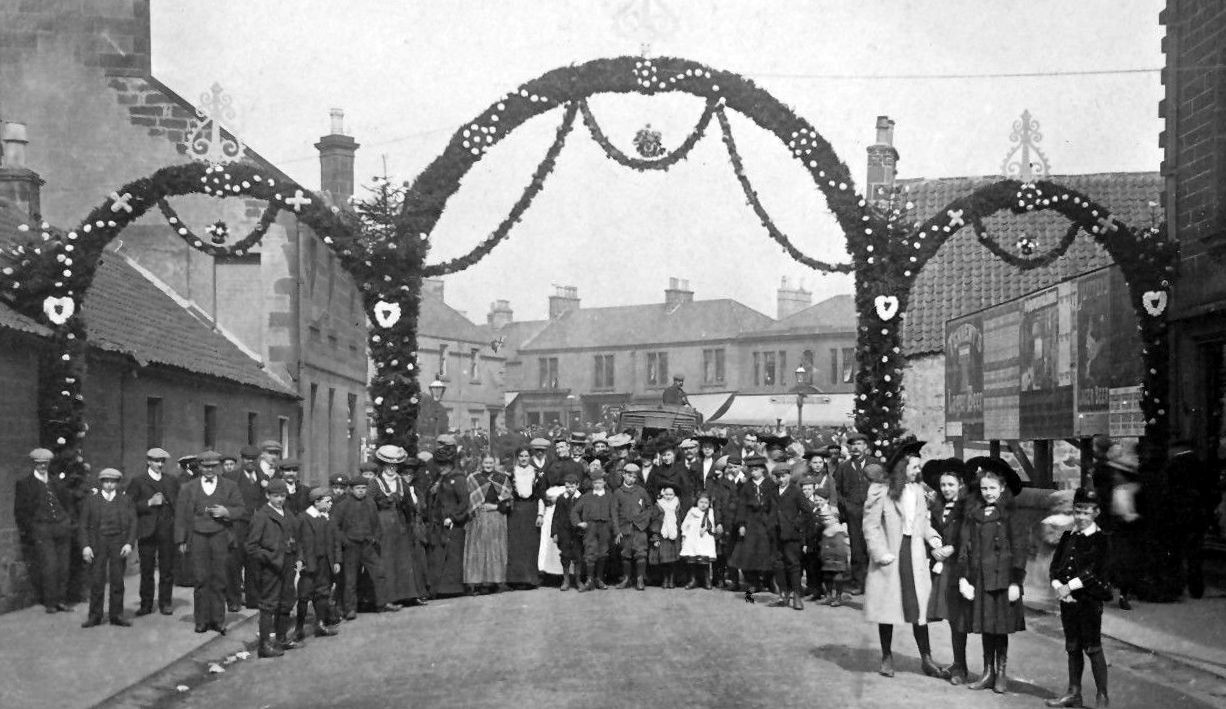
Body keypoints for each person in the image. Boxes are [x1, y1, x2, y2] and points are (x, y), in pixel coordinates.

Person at [863, 440, 949, 680]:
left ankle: (926, 658)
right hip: (892, 552)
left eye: (918, 467)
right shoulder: (881, 490)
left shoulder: (919, 491)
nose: (917, 471)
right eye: (913, 467)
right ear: (902, 467)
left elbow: (924, 524)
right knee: (887, 607)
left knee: (918, 607)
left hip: (914, 553)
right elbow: (871, 526)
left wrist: (934, 540)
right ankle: (886, 656)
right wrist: (880, 553)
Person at [958, 457, 1028, 694]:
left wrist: (1016, 582)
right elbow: (966, 547)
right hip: (981, 579)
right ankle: (987, 672)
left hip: (1003, 579)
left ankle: (1001, 673)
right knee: (987, 627)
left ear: (1003, 488)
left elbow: (1020, 548)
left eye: (992, 488)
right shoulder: (974, 514)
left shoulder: (1011, 514)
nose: (988, 493)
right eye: (984, 488)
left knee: (1000, 628)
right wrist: (964, 578)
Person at [1046, 487, 1113, 709]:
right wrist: (1058, 586)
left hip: (1089, 601)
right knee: (1072, 646)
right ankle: (1074, 692)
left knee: (1092, 647)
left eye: (1087, 512)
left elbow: (1094, 571)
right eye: (1078, 511)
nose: (1081, 517)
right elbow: (1056, 567)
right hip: (1068, 602)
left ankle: (1102, 696)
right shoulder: (1068, 537)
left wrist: (1069, 587)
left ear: (1097, 513)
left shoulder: (1101, 539)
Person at [174, 450, 245, 635]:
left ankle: (218, 620)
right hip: (197, 536)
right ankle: (201, 621)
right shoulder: (188, 488)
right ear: (200, 467)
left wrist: (226, 512)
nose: (209, 470)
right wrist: (181, 539)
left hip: (220, 535)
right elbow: (180, 515)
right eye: (205, 466)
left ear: (219, 467)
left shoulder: (230, 486)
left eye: (213, 466)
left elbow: (241, 510)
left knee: (219, 579)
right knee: (200, 578)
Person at [922, 457, 973, 684]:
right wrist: (933, 549)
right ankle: (957, 662)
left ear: (960, 484)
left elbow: (970, 536)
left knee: (958, 617)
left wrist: (953, 548)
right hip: (941, 566)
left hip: (959, 566)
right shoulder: (937, 506)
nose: (946, 489)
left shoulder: (966, 507)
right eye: (943, 485)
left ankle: (961, 667)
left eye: (951, 484)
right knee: (950, 616)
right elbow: (931, 531)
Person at [14, 448, 75, 613]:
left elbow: (67, 503)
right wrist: (32, 529)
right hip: (42, 530)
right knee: (50, 566)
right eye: (39, 463)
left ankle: (61, 600)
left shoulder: (57, 483)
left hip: (61, 527)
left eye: (45, 463)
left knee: (63, 566)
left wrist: (68, 521)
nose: (42, 466)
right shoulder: (25, 484)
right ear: (34, 464)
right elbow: (20, 511)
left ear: (49, 463)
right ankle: (50, 602)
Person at [246, 478, 300, 658]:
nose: (280, 499)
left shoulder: (287, 513)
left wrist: (297, 557)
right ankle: (264, 646)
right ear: (267, 495)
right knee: (268, 605)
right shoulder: (261, 515)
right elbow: (251, 547)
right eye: (276, 496)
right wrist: (271, 557)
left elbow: (295, 535)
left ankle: (281, 638)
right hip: (271, 567)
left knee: (286, 602)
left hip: (288, 563)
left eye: (283, 496)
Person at [79, 467, 137, 628]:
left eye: (113, 482)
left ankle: (116, 615)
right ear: (101, 482)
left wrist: (129, 543)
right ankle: (95, 616)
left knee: (117, 580)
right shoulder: (91, 500)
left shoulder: (125, 501)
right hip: (98, 542)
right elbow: (83, 525)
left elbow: (133, 523)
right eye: (106, 482)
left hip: (118, 542)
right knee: (97, 580)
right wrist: (85, 546)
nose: (109, 485)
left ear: (118, 484)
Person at [127, 446, 180, 616]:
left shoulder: (171, 480)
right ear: (149, 461)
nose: (159, 464)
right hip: (147, 531)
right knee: (147, 570)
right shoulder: (138, 481)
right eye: (156, 461)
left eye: (162, 461)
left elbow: (177, 504)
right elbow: (128, 506)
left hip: (166, 529)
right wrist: (149, 503)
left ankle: (165, 603)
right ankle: (146, 604)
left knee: (166, 569)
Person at [372, 445, 427, 607]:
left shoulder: (401, 481)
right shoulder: (375, 483)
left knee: (404, 560)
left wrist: (409, 524)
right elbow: (370, 506)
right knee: (387, 560)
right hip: (383, 525)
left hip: (400, 525)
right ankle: (388, 598)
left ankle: (408, 595)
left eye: (394, 466)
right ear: (382, 465)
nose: (391, 469)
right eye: (388, 465)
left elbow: (409, 504)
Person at [332, 476, 392, 618]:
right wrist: (345, 541)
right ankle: (350, 609)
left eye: (364, 488)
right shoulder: (343, 505)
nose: (361, 491)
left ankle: (382, 603)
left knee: (379, 572)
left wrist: (375, 538)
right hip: (351, 546)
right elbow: (335, 527)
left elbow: (376, 524)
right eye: (358, 489)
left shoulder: (370, 503)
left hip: (367, 545)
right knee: (350, 579)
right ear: (351, 490)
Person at [836, 431, 881, 594]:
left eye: (859, 444)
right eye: (853, 445)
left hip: (873, 511)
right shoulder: (844, 467)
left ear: (866, 447)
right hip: (853, 512)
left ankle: (874, 583)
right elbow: (838, 490)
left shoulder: (875, 464)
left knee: (873, 545)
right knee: (856, 547)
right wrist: (846, 506)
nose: (855, 448)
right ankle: (858, 582)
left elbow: (883, 485)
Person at [294, 486, 341, 643]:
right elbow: (298, 542)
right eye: (328, 501)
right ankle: (299, 629)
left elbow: (336, 542)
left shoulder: (329, 518)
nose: (330, 504)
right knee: (303, 597)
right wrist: (300, 559)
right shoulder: (303, 518)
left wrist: (337, 561)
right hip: (309, 564)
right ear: (316, 502)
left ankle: (320, 624)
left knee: (323, 594)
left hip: (324, 563)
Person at [729, 456, 776, 604]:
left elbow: (775, 504)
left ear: (763, 470)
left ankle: (769, 581)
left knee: (767, 551)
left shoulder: (770, 484)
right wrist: (742, 524)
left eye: (756, 469)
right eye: (751, 470)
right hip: (751, 521)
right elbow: (742, 505)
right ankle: (754, 582)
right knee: (749, 553)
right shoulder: (747, 486)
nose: (754, 472)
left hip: (766, 521)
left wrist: (772, 521)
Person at [463, 454, 513, 593]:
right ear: (481, 462)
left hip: (497, 518)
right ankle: (477, 583)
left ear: (495, 464)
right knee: (478, 549)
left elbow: (508, 502)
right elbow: (468, 499)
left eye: (491, 462)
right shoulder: (473, 478)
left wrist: (495, 507)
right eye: (486, 462)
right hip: (478, 517)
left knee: (495, 550)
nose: (488, 465)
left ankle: (495, 582)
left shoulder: (502, 478)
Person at [1103, 440, 1142, 610]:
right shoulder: (1126, 488)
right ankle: (1123, 594)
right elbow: (1126, 512)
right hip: (1124, 528)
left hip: (1116, 527)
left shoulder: (1116, 486)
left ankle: (1113, 590)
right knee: (1123, 562)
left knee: (1115, 561)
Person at [427, 447, 470, 597]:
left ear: (451, 463)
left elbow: (464, 502)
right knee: (440, 555)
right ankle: (440, 589)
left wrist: (453, 517)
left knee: (452, 555)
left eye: (445, 463)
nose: (442, 467)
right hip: (439, 522)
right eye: (439, 464)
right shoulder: (441, 478)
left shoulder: (458, 478)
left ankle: (452, 588)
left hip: (452, 523)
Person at [771, 465, 813, 610]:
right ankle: (783, 593)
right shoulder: (772, 491)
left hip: (791, 535)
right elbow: (767, 509)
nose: (781, 479)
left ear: (789, 476)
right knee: (778, 564)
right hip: (775, 533)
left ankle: (796, 595)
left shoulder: (796, 491)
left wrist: (795, 525)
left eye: (783, 476)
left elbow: (807, 512)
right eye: (778, 477)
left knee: (793, 564)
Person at [570, 469, 616, 592]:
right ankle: (589, 579)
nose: (597, 485)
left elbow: (614, 513)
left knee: (603, 552)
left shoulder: (610, 496)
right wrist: (579, 523)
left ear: (604, 483)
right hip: (590, 527)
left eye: (600, 482)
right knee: (590, 552)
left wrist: (612, 526)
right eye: (595, 482)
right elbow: (574, 511)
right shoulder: (586, 497)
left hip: (605, 527)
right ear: (592, 483)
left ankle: (599, 579)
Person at [506, 447, 545, 589]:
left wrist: (540, 514)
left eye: (526, 456)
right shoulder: (510, 473)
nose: (523, 459)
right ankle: (515, 580)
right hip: (515, 511)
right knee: (515, 545)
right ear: (517, 457)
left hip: (531, 510)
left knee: (530, 544)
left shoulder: (537, 473)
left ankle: (530, 579)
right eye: (521, 456)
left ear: (530, 457)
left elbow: (541, 496)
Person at [612, 464, 653, 590]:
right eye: (629, 476)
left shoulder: (641, 491)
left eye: (634, 477)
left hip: (639, 529)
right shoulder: (618, 492)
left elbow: (650, 507)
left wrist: (642, 521)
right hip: (625, 528)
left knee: (641, 553)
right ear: (623, 475)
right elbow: (614, 512)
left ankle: (640, 579)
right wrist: (617, 530)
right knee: (626, 554)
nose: (632, 479)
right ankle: (626, 578)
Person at [708, 455, 739, 588]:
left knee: (735, 553)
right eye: (729, 467)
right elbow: (718, 505)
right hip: (725, 522)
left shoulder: (744, 483)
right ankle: (718, 578)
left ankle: (736, 580)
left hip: (738, 523)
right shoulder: (720, 485)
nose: (732, 470)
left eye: (735, 467)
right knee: (720, 552)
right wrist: (718, 522)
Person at [552, 472, 585, 591]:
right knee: (565, 555)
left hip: (577, 532)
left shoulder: (581, 498)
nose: (570, 489)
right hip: (564, 531)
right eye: (567, 487)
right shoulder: (561, 498)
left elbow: (584, 515)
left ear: (577, 485)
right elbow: (556, 516)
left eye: (572, 486)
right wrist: (554, 532)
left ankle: (578, 580)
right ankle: (566, 580)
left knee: (578, 556)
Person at [680, 491, 718, 589]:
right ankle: (693, 580)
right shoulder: (693, 511)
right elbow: (685, 524)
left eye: (706, 502)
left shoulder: (710, 512)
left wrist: (706, 528)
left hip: (705, 539)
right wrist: (684, 535)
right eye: (701, 502)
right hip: (693, 538)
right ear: (697, 502)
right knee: (692, 560)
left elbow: (712, 525)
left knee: (704, 561)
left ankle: (706, 580)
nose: (703, 505)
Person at [649, 484, 684, 589]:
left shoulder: (677, 505)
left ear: (674, 495)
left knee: (673, 560)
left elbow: (681, 520)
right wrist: (655, 536)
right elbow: (654, 521)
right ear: (663, 494)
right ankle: (665, 579)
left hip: (675, 536)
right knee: (664, 559)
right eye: (667, 494)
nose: (668, 496)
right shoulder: (658, 505)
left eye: (671, 494)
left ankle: (672, 579)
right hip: (663, 535)